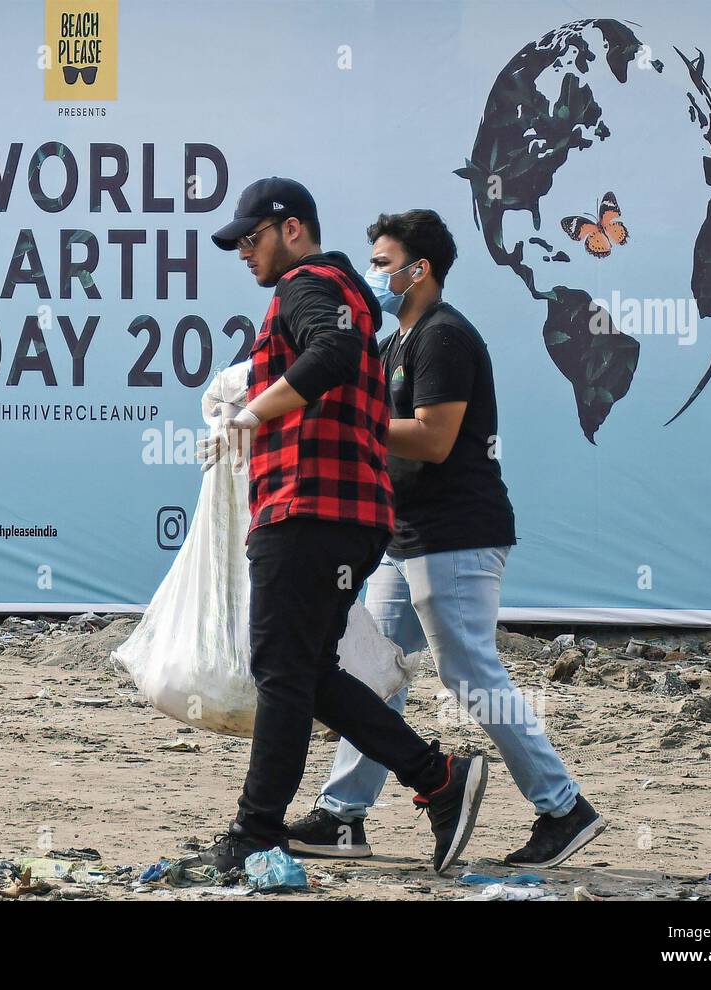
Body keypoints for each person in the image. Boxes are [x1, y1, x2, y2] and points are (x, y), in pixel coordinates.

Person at [285, 209, 606, 867]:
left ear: (418, 269)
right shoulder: (393, 343)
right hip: (405, 542)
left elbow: (433, 439)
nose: (373, 274)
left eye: (381, 262)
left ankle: (563, 806)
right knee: (373, 675)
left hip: (457, 538)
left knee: (470, 675)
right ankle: (344, 817)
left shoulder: (445, 338)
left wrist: (351, 423)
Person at [191, 178, 488, 875]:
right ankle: (439, 779)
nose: (242, 252)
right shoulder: (346, 290)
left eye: (252, 237)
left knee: (281, 672)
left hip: (310, 509)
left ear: (292, 229)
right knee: (306, 671)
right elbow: (340, 354)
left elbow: (331, 353)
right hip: (345, 514)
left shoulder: (306, 287)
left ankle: (255, 831)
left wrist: (249, 414)